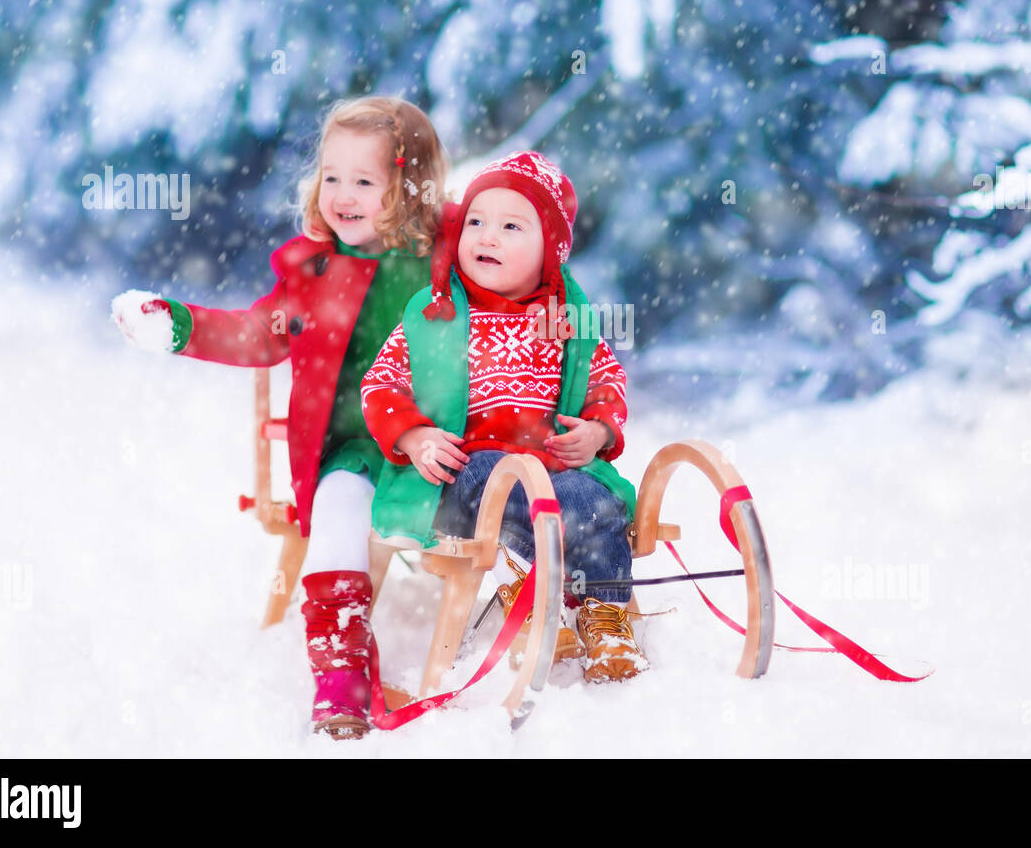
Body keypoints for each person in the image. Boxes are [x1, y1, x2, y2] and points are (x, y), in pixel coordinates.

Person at [111, 96, 449, 739]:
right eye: (331, 177)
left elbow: (510, 292)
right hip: (354, 447)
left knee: (487, 503)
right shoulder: (315, 273)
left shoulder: (443, 265)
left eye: (365, 181)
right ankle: (341, 671)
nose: (342, 195)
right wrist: (180, 325)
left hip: (436, 444)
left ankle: (554, 598)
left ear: (408, 188)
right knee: (340, 511)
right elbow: (258, 336)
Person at [361, 151, 647, 684]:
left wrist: (600, 429)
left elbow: (607, 381)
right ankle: (537, 581)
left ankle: (604, 616)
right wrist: (417, 436)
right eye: (475, 222)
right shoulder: (435, 315)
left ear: (549, 253)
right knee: (506, 482)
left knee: (595, 500)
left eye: (510, 226)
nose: (486, 237)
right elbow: (381, 384)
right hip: (465, 472)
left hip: (553, 472)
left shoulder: (566, 321)